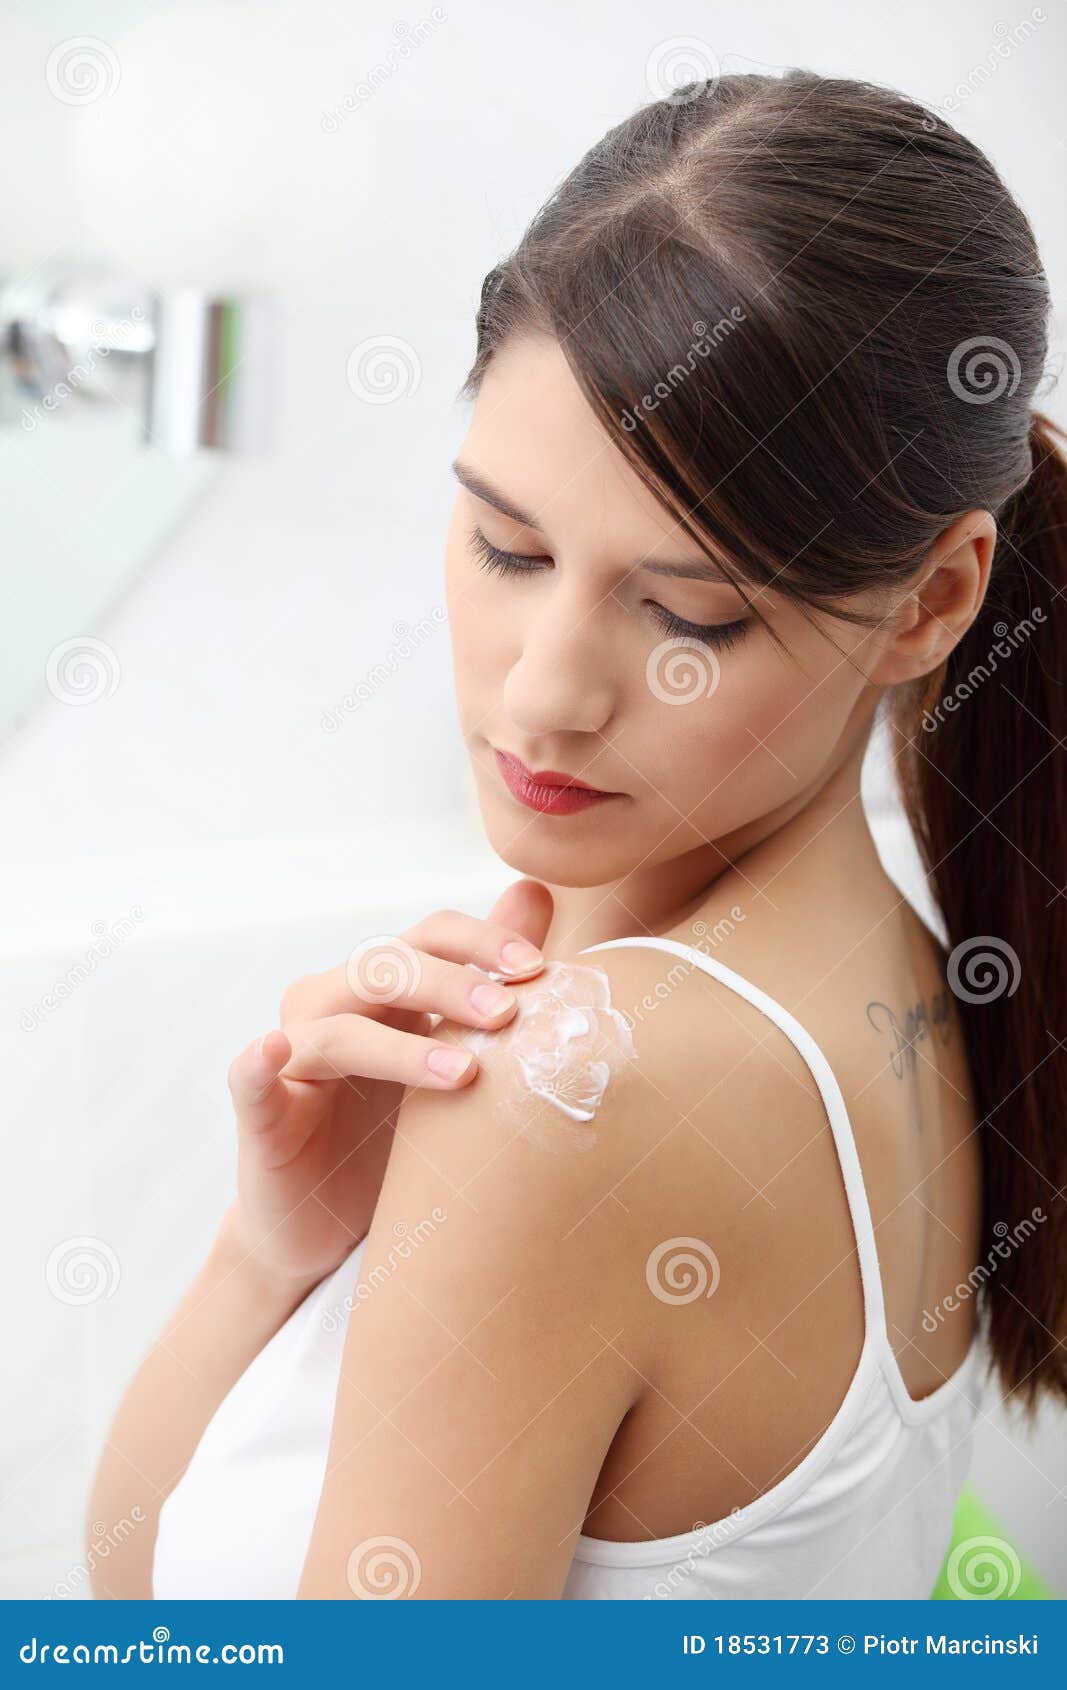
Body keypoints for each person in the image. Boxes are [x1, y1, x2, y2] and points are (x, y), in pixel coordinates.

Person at [88, 69, 1067, 1601]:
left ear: (937, 602)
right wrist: (276, 1250)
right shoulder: (909, 967)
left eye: (688, 615)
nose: (541, 696)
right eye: (504, 544)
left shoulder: (580, 1096)